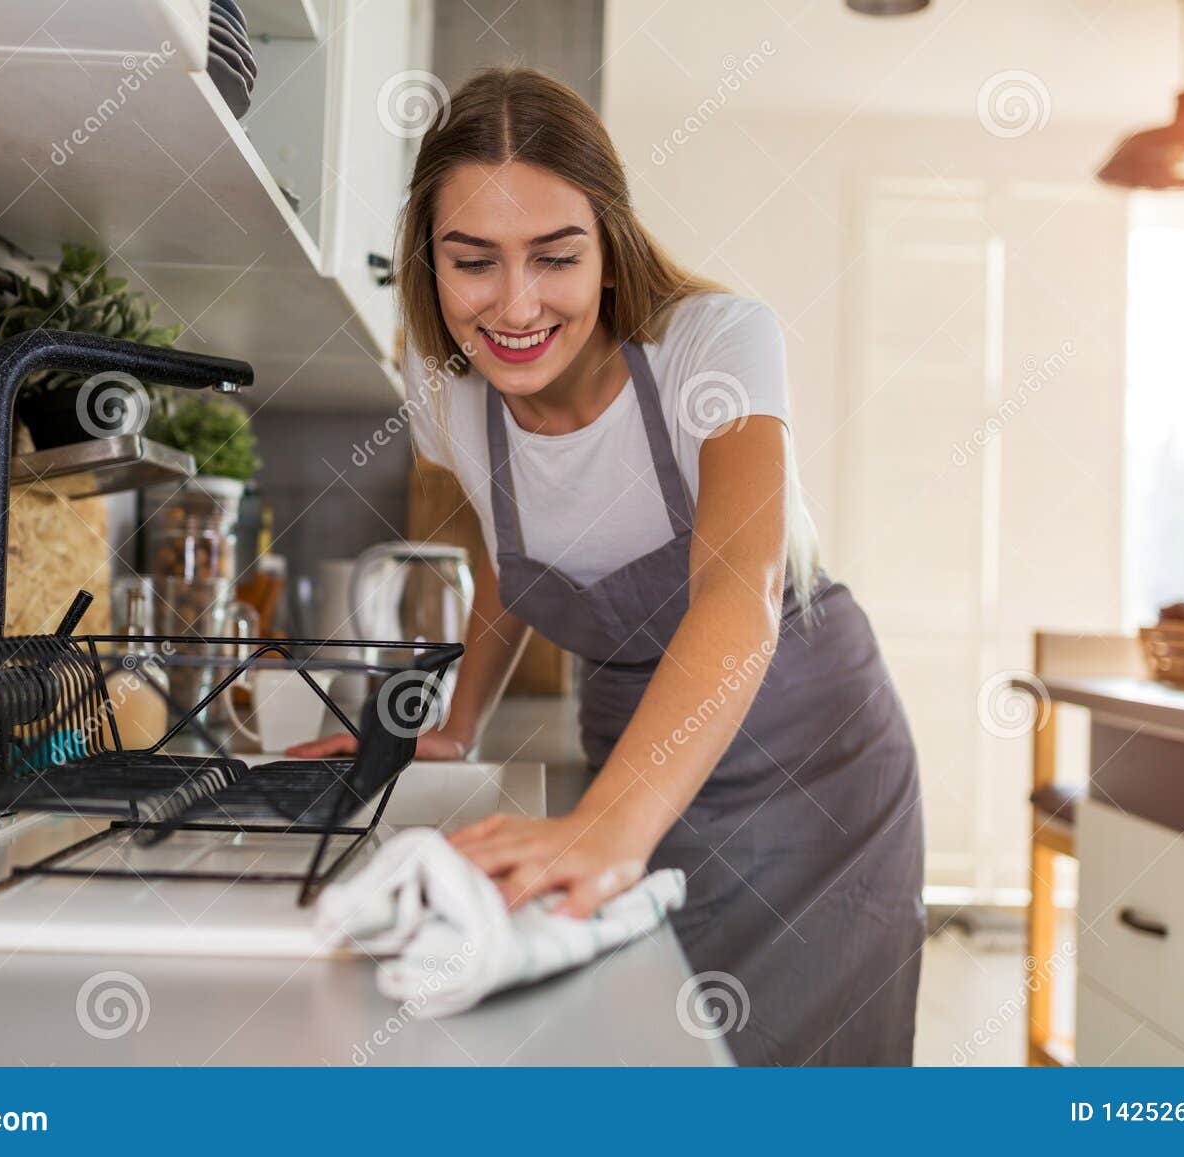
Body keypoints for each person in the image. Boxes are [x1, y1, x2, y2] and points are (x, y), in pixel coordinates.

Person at [290, 66, 924, 1065]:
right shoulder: (439, 385)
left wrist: (607, 827)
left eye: (554, 257)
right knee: (646, 1053)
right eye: (473, 262)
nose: (514, 304)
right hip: (631, 741)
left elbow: (737, 587)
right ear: (429, 262)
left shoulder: (714, 345)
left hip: (810, 759)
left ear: (609, 249)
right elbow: (513, 558)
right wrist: (453, 723)